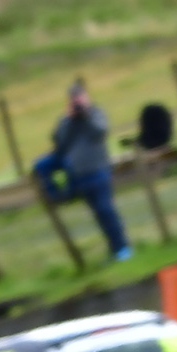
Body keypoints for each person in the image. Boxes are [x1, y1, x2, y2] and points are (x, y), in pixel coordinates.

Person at [53, 80, 130, 261]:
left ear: (87, 97)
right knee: (97, 214)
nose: (78, 103)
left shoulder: (96, 113)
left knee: (106, 209)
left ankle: (123, 248)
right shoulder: (66, 120)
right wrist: (70, 120)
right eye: (74, 99)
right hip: (80, 174)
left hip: (98, 170)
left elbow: (100, 133)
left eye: (80, 98)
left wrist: (86, 115)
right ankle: (114, 250)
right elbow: (60, 144)